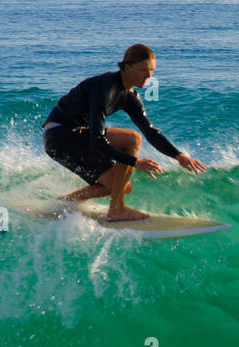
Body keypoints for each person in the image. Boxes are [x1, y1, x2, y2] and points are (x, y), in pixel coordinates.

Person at [41, 44, 205, 221]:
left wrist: (178, 156)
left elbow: (150, 131)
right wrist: (135, 162)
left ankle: (66, 202)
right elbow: (97, 139)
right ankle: (117, 210)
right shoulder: (105, 87)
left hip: (74, 139)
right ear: (127, 67)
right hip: (60, 135)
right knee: (132, 139)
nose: (149, 76)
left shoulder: (130, 96)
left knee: (121, 186)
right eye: (143, 69)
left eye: (151, 70)